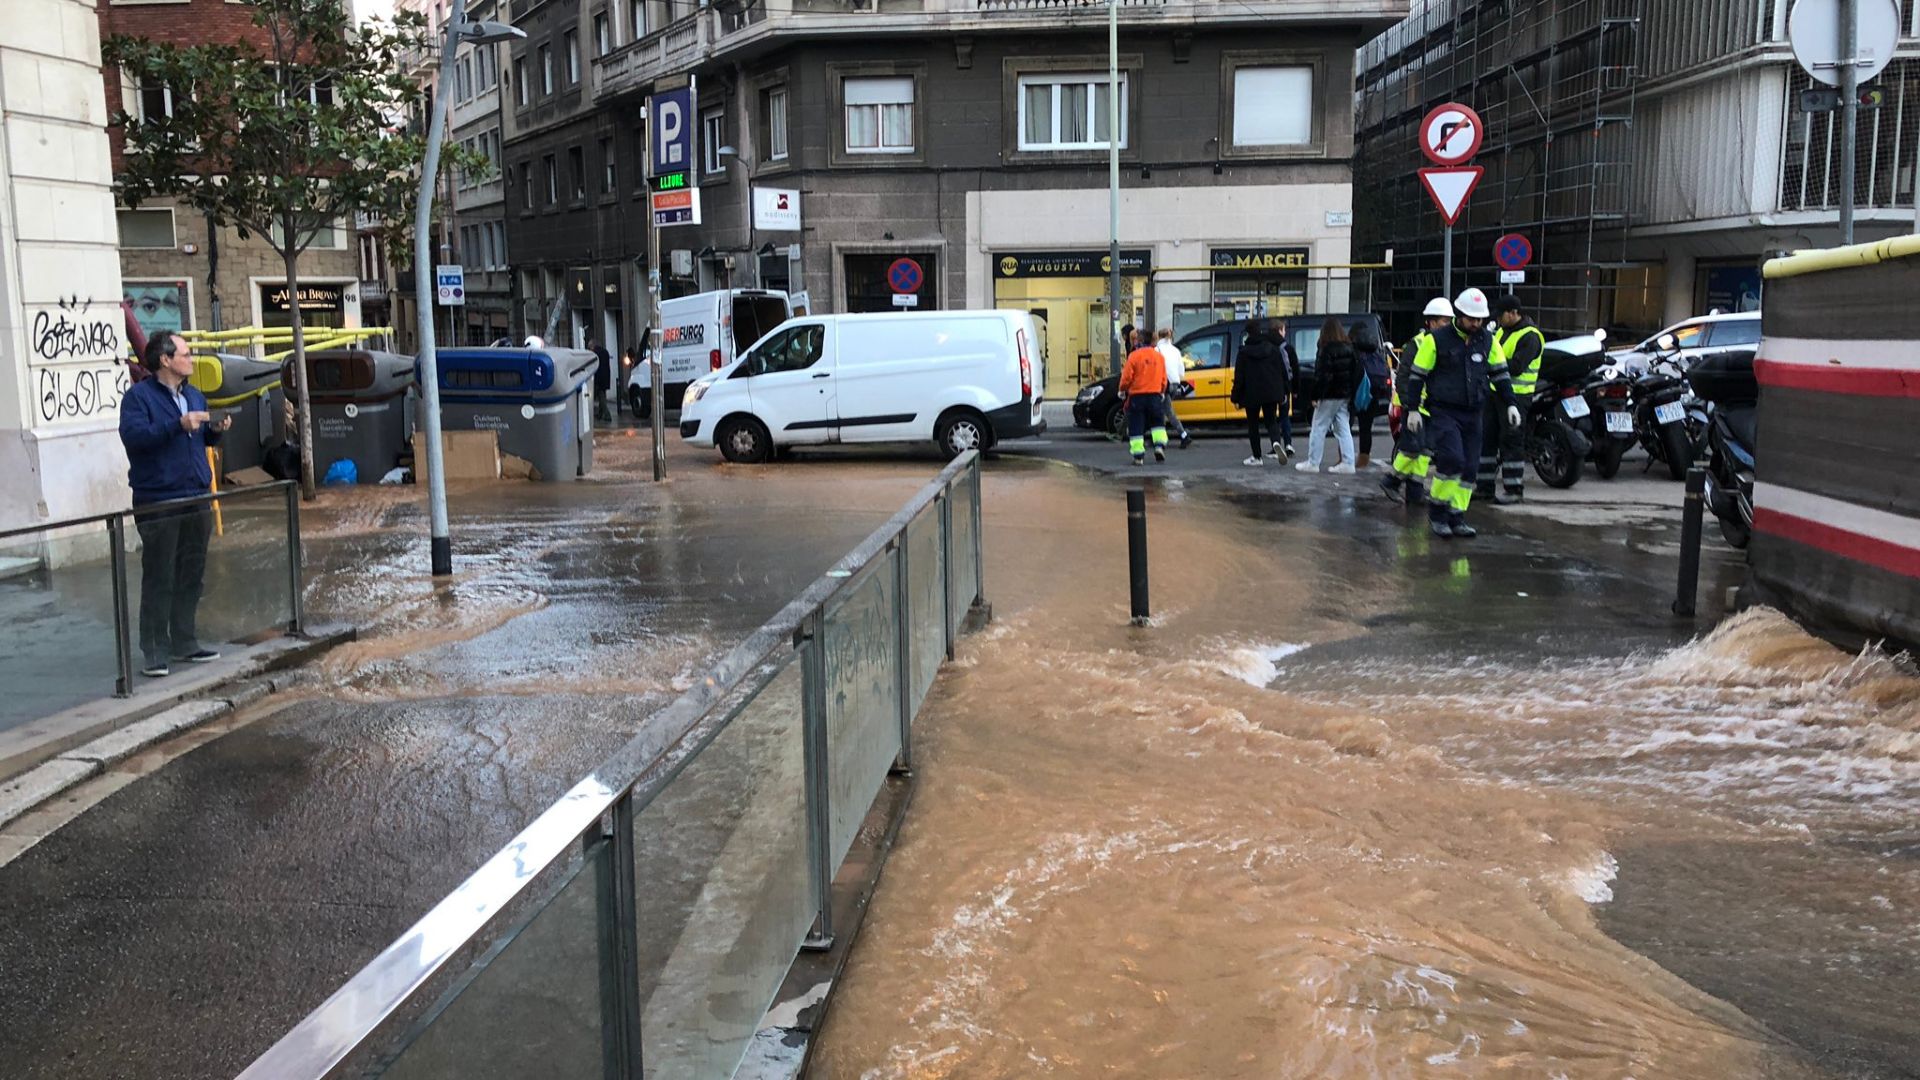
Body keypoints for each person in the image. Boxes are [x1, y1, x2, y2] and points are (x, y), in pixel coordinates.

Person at [118, 332, 230, 678]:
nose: (191, 359)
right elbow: (135, 439)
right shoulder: (138, 398)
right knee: (159, 574)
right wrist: (177, 425)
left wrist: (216, 430)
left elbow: (199, 439)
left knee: (191, 574)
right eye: (185, 353)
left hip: (196, 494)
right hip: (159, 498)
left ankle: (185, 641)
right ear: (165, 360)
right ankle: (154, 650)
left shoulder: (194, 394)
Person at [1401, 287, 1519, 539]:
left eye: (1480, 320)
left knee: (1470, 467)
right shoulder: (1436, 340)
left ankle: (1457, 515)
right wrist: (1412, 409)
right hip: (1444, 411)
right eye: (1471, 319)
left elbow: (1500, 373)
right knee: (1452, 460)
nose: (1476, 324)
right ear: (1460, 314)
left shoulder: (1488, 341)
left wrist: (1510, 403)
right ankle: (1438, 511)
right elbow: (1417, 376)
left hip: (1474, 412)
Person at [1380, 297, 1455, 506]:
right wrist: (1408, 405)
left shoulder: (1446, 343)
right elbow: (1403, 376)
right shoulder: (1417, 344)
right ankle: (1391, 480)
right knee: (1413, 448)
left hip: (1433, 406)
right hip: (1415, 406)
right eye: (1443, 321)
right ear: (1430, 322)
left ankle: (1415, 491)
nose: (1447, 325)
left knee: (1425, 452)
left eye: (1449, 321)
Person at [1487, 294, 1546, 504]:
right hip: (1495, 394)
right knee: (1488, 440)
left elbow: (1517, 367)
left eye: (1501, 315)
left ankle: (1513, 489)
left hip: (1517, 398)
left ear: (1513, 313)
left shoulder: (1531, 336)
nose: (1499, 320)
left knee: (1511, 442)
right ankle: (1484, 487)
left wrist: (1490, 364)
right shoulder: (1502, 331)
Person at [1298, 317, 1359, 474]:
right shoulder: (1349, 348)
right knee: (1343, 427)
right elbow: (1354, 372)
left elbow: (1322, 376)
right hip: (1345, 394)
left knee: (1318, 427)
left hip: (1329, 394)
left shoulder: (1325, 349)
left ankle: (1313, 462)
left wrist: (1315, 395)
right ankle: (1348, 462)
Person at [1231, 319, 1292, 466]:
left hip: (1251, 393)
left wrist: (1235, 397)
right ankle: (1276, 442)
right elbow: (1282, 371)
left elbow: (1239, 377)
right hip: (1271, 392)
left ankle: (1257, 457)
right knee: (1271, 420)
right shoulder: (1272, 349)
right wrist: (1285, 390)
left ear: (1248, 334)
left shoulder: (1243, 352)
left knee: (1253, 425)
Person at [1118, 328, 1171, 465]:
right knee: (1158, 423)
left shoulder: (1134, 356)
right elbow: (1164, 378)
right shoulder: (1159, 357)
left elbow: (1126, 378)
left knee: (1136, 425)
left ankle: (1138, 456)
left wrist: (1122, 390)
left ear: (1140, 340)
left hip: (1137, 396)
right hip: (1155, 395)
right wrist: (1162, 391)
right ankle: (1159, 446)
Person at [1352, 325, 1391, 469]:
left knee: (1345, 426)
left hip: (1356, 393)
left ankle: (1345, 458)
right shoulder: (1377, 353)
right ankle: (1364, 459)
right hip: (1374, 394)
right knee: (1365, 428)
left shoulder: (1355, 353)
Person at [1153, 328, 1192, 450]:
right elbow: (1182, 371)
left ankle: (1183, 435)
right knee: (1165, 410)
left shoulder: (1157, 350)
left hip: (1164, 384)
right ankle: (1161, 438)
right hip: (1175, 383)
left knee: (1167, 412)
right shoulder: (1176, 350)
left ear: (1159, 337)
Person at [588, 337, 614, 423]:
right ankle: (600, 414)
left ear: (592, 346)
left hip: (598, 377)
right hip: (606, 377)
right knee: (602, 395)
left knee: (601, 397)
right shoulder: (605, 352)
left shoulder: (594, 354)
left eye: (589, 347)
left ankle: (607, 415)